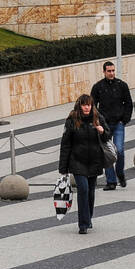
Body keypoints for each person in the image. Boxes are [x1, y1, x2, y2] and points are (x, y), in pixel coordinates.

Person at [58, 94, 108, 235]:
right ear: (79, 105)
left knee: (91, 192)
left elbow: (107, 136)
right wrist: (63, 168)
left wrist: (102, 131)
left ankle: (88, 217)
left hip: (94, 161)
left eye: (89, 104)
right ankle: (83, 224)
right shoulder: (72, 120)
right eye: (84, 104)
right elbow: (65, 144)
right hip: (77, 161)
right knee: (83, 190)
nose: (87, 107)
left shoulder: (98, 118)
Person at [91, 61, 133, 190]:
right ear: (104, 72)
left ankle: (120, 173)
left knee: (119, 150)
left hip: (119, 124)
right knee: (107, 153)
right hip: (105, 125)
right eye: (109, 71)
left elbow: (129, 103)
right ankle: (111, 181)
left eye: (113, 70)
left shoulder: (122, 85)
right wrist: (97, 122)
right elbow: (92, 105)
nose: (111, 73)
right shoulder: (98, 87)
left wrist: (124, 119)